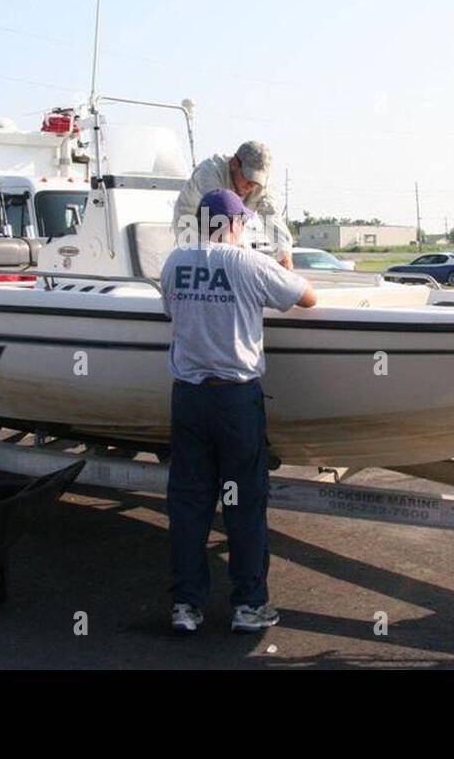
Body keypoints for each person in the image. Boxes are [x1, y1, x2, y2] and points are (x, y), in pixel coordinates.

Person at [160, 188, 317, 633]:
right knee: (244, 504)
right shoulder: (249, 263)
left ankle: (185, 608)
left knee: (188, 504)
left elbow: (170, 311)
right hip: (235, 400)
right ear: (232, 225)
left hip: (188, 397)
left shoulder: (175, 263)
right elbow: (307, 298)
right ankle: (248, 606)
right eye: (243, 222)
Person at [172, 141, 295, 269]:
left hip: (233, 226)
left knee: (242, 264)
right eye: (248, 178)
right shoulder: (209, 172)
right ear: (234, 164)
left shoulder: (263, 183)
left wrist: (283, 254)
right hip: (193, 223)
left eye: (256, 182)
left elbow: (272, 217)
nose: (251, 186)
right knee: (199, 264)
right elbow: (216, 222)